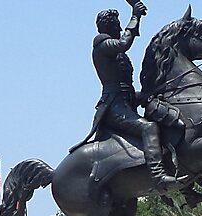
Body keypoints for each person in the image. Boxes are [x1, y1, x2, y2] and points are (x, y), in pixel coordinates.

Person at [77, 3, 180, 191]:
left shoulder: (114, 51)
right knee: (149, 128)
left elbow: (127, 87)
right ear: (108, 26)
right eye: (116, 24)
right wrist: (135, 16)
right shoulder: (102, 45)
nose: (119, 27)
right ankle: (158, 177)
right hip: (114, 107)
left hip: (127, 101)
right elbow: (125, 43)